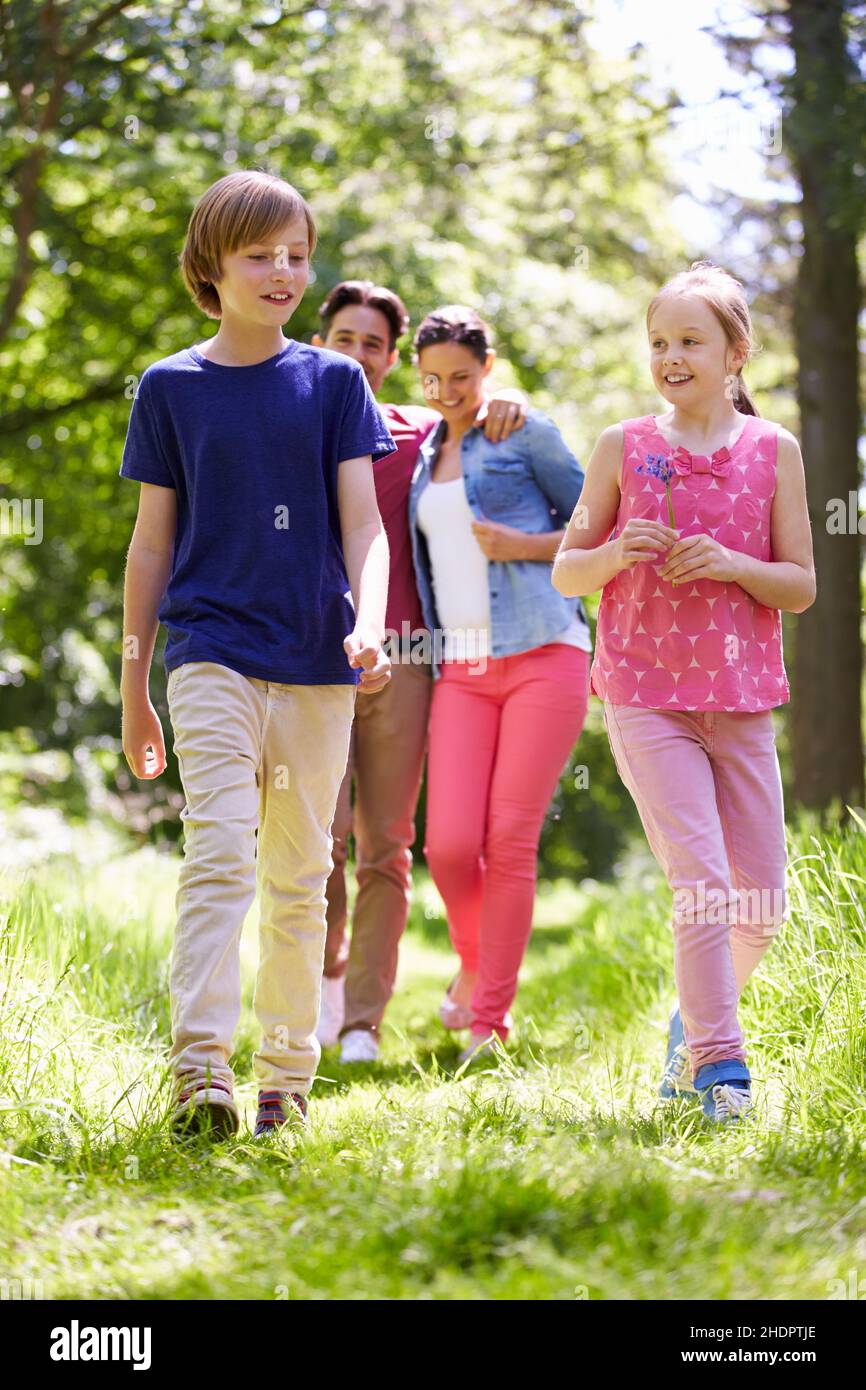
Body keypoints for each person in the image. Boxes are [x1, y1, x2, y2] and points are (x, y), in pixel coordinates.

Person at [118, 171, 396, 1139]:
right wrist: (133, 687)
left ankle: (283, 1079)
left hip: (318, 658)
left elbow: (364, 522)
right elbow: (151, 545)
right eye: (259, 254)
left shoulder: (333, 383)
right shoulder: (169, 387)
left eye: (295, 253)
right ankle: (199, 1075)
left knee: (296, 873)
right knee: (220, 851)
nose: (283, 271)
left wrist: (369, 618)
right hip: (209, 651)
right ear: (210, 266)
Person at [552, 260, 815, 1123]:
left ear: (736, 353)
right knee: (701, 880)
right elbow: (566, 572)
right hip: (645, 693)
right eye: (658, 342)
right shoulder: (622, 447)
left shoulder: (774, 451)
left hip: (742, 700)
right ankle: (719, 1067)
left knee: (763, 902)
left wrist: (739, 566)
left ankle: (691, 1027)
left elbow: (801, 585)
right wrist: (615, 550)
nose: (670, 356)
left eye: (690, 341)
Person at [311, 282, 528, 1062]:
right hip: (310, 664)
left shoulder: (419, 432)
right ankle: (320, 991)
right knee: (316, 839)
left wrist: (505, 403)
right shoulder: (291, 419)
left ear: (392, 357)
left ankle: (364, 1020)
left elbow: (478, 417)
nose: (358, 354)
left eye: (372, 344)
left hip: (406, 662)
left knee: (386, 846)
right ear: (321, 341)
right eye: (344, 338)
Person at [409, 305, 592, 1063]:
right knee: (448, 845)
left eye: (463, 376)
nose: (449, 392)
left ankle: (490, 1020)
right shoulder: (421, 451)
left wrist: (524, 544)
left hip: (544, 649)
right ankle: (478, 960)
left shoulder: (523, 431)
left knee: (507, 841)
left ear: (488, 367)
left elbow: (603, 524)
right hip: (464, 664)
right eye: (433, 379)